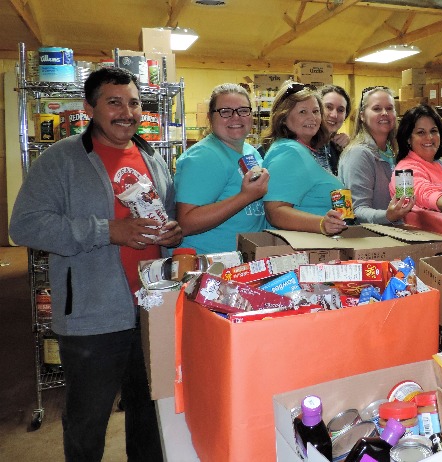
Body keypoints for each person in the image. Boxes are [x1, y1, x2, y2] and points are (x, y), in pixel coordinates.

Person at [9, 67, 182, 461]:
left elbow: (166, 213)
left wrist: (172, 233)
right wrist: (108, 231)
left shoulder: (152, 157)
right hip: (90, 315)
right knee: (88, 420)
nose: (127, 111)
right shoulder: (61, 160)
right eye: (114, 102)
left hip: (151, 310)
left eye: (134, 102)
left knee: (148, 413)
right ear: (90, 107)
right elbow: (25, 226)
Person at [174, 83, 269, 254]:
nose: (236, 118)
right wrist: (245, 196)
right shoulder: (204, 157)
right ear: (210, 117)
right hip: (210, 265)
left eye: (243, 110)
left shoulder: (250, 151)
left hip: (242, 262)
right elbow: (186, 223)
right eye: (225, 112)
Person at [262, 81, 348, 235]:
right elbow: (274, 212)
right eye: (303, 112)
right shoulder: (289, 152)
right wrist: (321, 224)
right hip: (303, 250)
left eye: (316, 111)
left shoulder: (304, 150)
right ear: (283, 117)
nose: (312, 118)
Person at [338, 86, 415, 224]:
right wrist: (388, 216)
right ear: (362, 115)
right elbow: (357, 210)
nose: (385, 113)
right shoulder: (358, 154)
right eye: (377, 108)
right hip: (371, 239)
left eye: (390, 108)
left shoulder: (395, 152)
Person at [319, 84, 351, 175]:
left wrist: (349, 148)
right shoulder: (305, 144)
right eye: (328, 107)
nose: (334, 115)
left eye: (340, 110)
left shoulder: (337, 146)